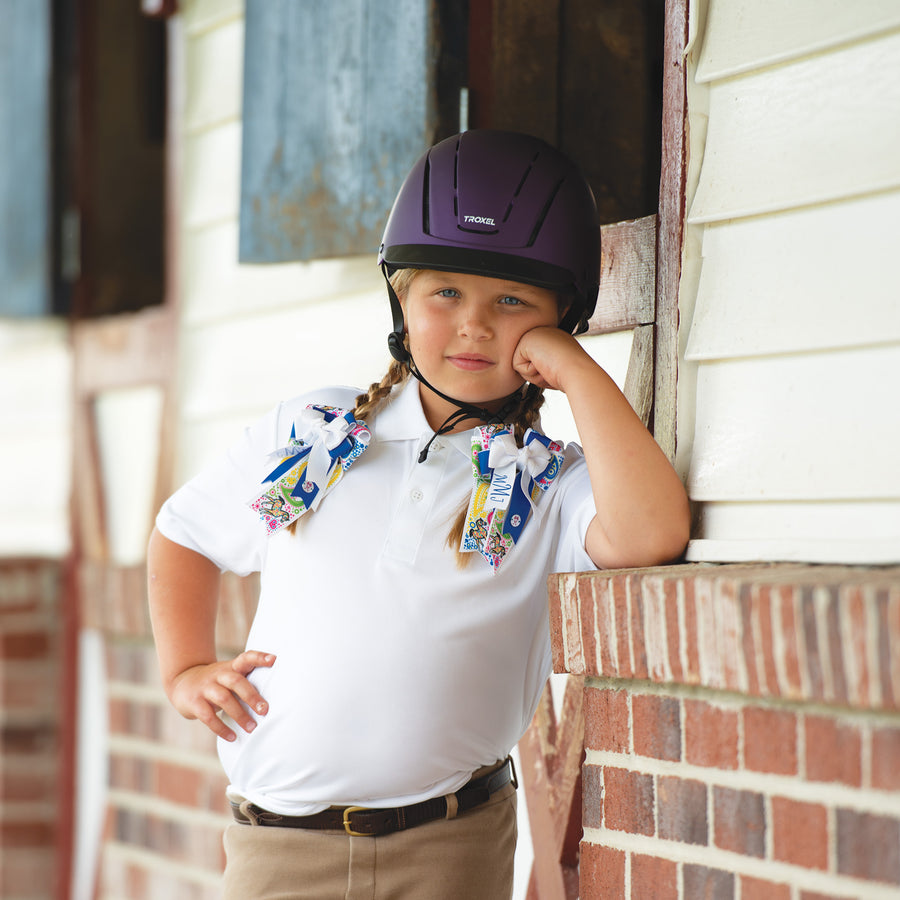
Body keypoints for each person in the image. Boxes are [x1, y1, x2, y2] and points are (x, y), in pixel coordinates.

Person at [147, 129, 690, 899]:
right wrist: (184, 667)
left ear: (560, 316)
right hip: (280, 851)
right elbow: (185, 534)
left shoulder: (547, 483)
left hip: (451, 847)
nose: (474, 324)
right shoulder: (314, 436)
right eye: (445, 293)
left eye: (512, 302)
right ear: (399, 297)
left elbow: (650, 533)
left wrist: (575, 368)